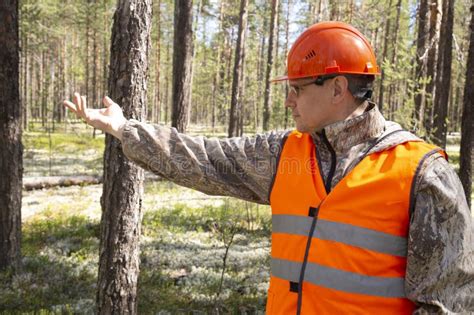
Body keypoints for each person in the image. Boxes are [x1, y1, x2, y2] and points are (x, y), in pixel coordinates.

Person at [64, 21, 473, 314]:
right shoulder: (284, 155)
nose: (288, 100)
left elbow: (447, 305)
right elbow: (204, 158)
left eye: (296, 88)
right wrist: (124, 129)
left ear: (337, 88)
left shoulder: (423, 175)